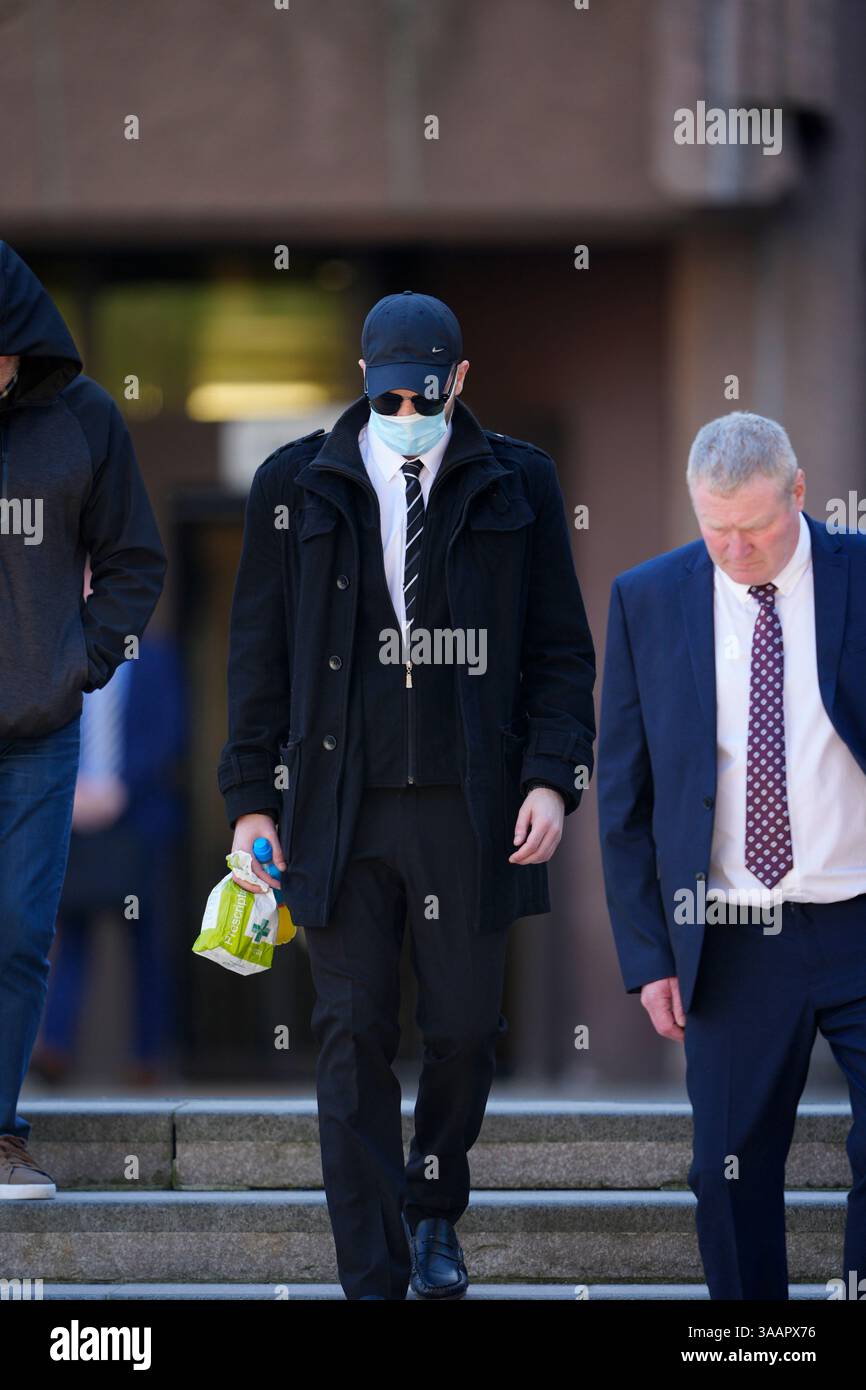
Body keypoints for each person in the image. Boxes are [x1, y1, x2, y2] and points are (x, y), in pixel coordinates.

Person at [218, 290, 595, 1300]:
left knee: (467, 1029)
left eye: (422, 395)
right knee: (350, 1036)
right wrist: (251, 798)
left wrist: (552, 782)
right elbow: (255, 655)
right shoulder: (292, 483)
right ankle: (372, 1270)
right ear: (362, 379)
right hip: (336, 811)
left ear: (458, 381)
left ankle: (433, 1210)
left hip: (471, 811)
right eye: (387, 396)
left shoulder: (519, 481)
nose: (404, 413)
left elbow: (561, 655)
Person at [598, 410, 866, 1300]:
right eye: (717, 530)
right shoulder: (649, 596)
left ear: (799, 493)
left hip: (861, 913)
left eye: (756, 528)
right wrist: (649, 958)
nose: (737, 550)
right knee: (728, 1172)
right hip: (732, 931)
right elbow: (626, 800)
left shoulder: (860, 573)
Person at [0, 242, 166, 1197]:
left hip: (38, 733)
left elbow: (135, 558)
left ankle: (1, 1133)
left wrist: (80, 665)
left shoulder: (85, 420)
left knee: (18, 932)